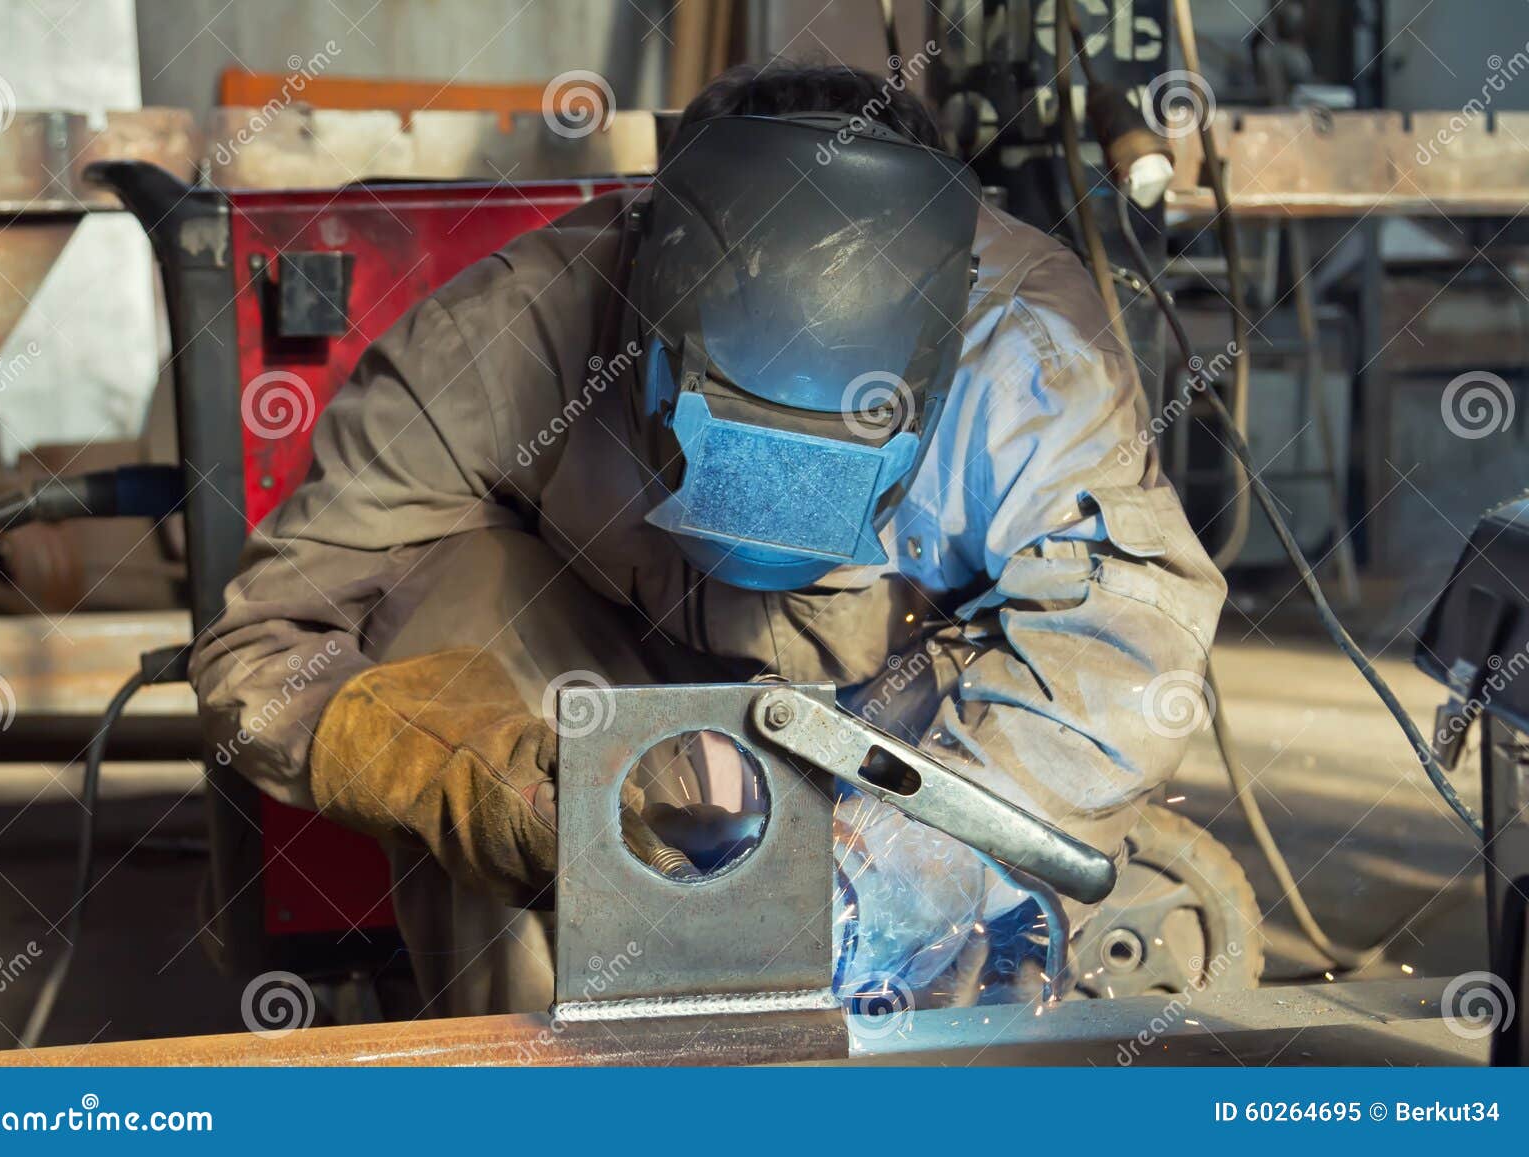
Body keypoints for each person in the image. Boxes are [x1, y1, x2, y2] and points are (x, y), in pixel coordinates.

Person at [190, 61, 1225, 1017]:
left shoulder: (1032, 357)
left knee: (935, 936)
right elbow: (264, 652)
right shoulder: (504, 336)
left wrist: (895, 868)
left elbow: (1126, 646)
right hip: (598, 695)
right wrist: (482, 780)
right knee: (445, 596)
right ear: (647, 316)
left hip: (891, 714)